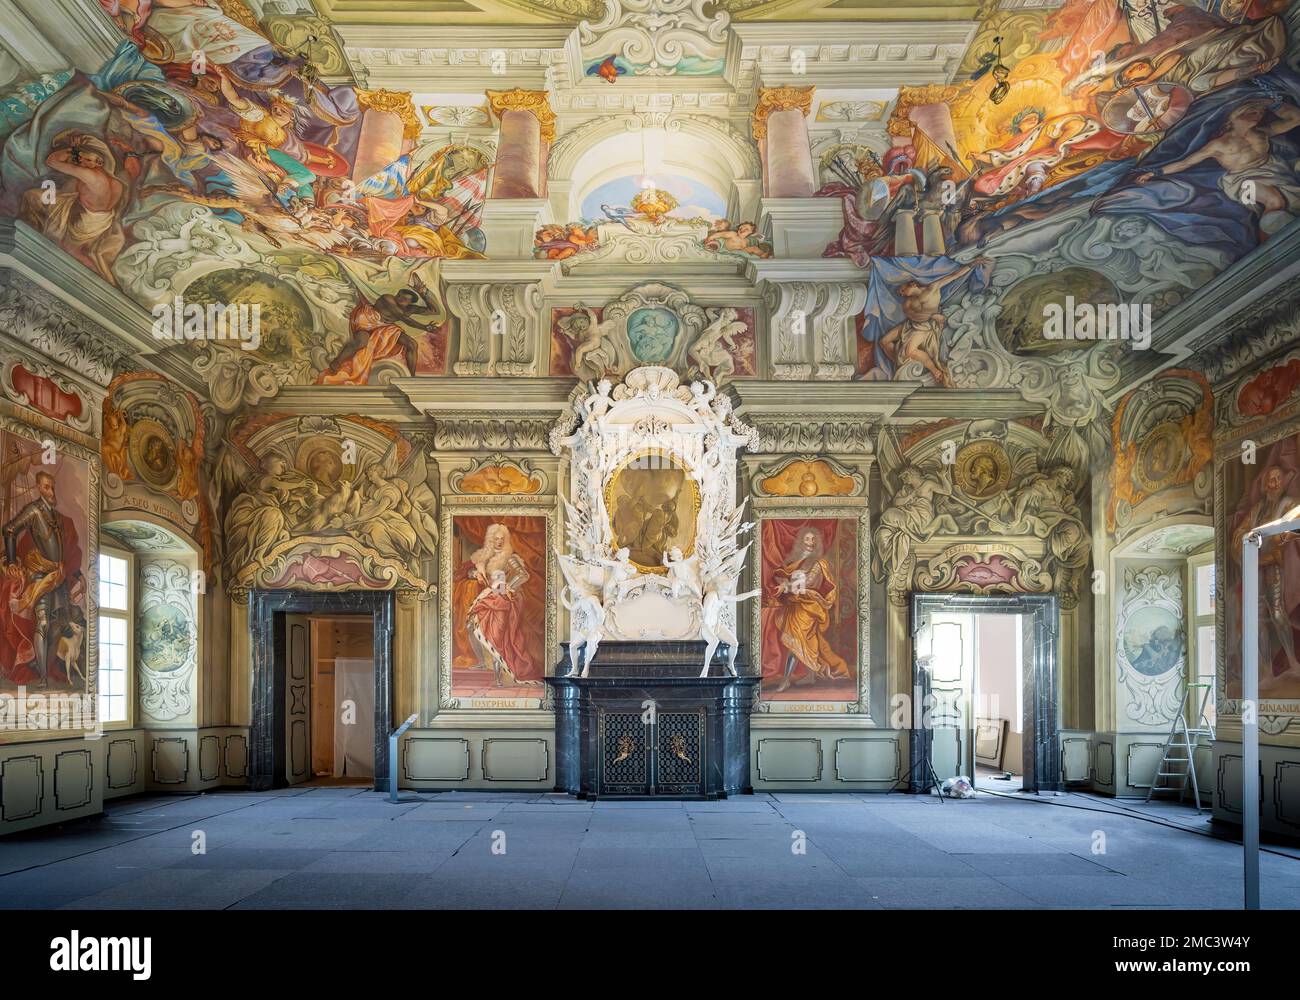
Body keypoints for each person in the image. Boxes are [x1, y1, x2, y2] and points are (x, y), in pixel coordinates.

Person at [766, 528, 851, 693]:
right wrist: (784, 583)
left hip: (810, 606)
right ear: (801, 542)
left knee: (797, 642)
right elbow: (786, 578)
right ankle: (810, 676)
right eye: (807, 539)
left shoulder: (819, 563)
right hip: (795, 605)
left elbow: (809, 582)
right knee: (807, 642)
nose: (810, 542)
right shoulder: (794, 561)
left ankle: (786, 679)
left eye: (813, 540)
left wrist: (787, 586)